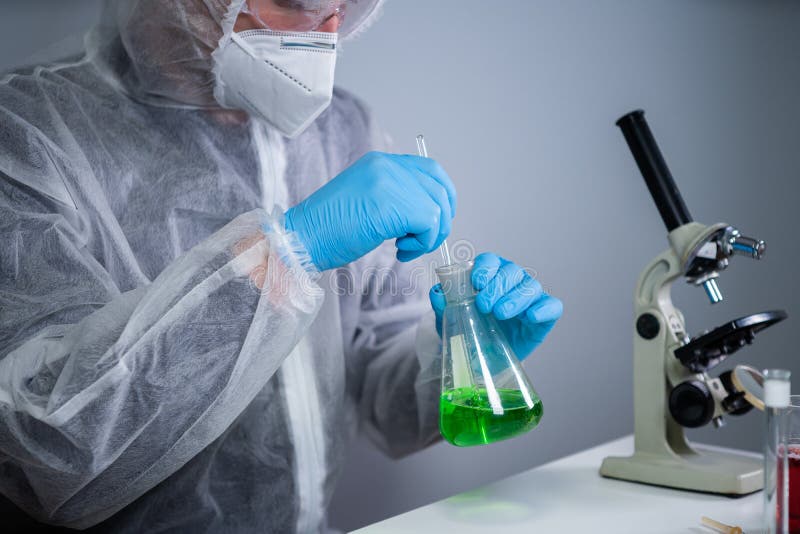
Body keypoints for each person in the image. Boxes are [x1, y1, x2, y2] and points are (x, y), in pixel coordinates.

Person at [0, 0, 563, 532]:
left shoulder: (343, 130)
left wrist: (464, 351)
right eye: (297, 6)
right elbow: (43, 448)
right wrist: (291, 250)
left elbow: (384, 395)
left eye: (339, 13)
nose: (322, 40)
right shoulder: (26, 135)